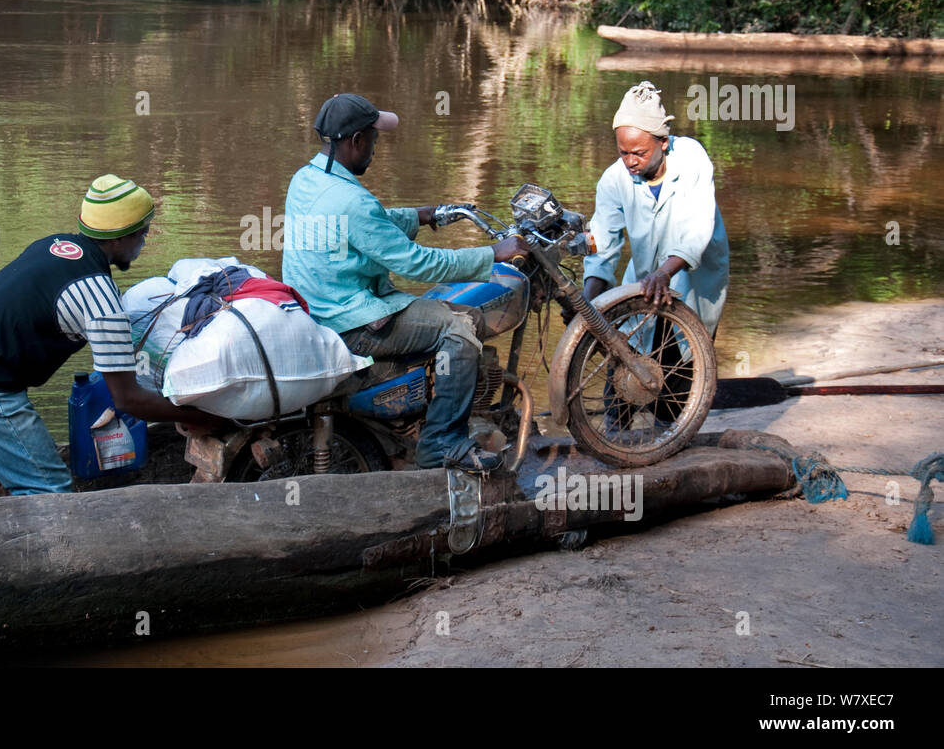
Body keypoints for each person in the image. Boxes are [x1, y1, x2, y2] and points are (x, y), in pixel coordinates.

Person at [282, 93, 530, 473]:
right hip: (351, 322)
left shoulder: (306, 179)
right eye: (374, 139)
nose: (376, 148)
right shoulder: (353, 201)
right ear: (356, 141)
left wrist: (421, 216)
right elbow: (418, 264)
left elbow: (366, 224)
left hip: (317, 310)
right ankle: (442, 443)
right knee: (461, 326)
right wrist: (492, 254)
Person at [0, 174, 220, 495]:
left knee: (41, 475)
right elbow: (128, 399)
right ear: (119, 238)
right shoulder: (101, 300)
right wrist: (205, 417)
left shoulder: (54, 245)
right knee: (51, 491)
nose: (144, 243)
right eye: (142, 233)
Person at [580, 81, 730, 424]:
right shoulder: (614, 180)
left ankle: (672, 432)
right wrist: (587, 302)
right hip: (646, 279)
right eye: (623, 152)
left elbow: (696, 230)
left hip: (692, 279)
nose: (630, 161)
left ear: (663, 142)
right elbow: (602, 245)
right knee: (624, 365)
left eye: (639, 153)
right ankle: (615, 434)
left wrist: (665, 272)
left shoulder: (691, 159)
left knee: (681, 371)